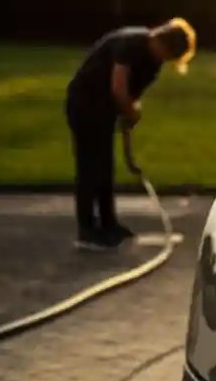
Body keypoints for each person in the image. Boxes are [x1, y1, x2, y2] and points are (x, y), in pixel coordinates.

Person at [65, 18, 196, 250]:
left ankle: (108, 224)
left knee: (106, 166)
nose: (165, 60)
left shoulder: (153, 64)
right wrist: (130, 112)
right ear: (162, 43)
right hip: (84, 103)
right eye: (167, 55)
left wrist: (128, 138)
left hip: (105, 109)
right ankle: (86, 231)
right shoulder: (131, 44)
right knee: (89, 166)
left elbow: (129, 100)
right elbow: (119, 87)